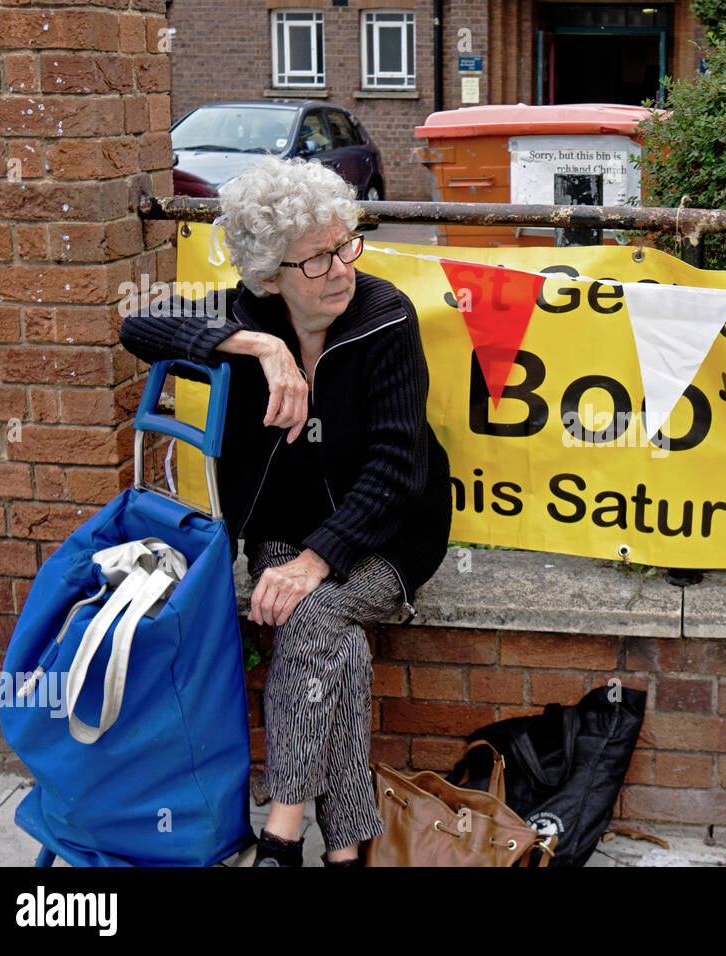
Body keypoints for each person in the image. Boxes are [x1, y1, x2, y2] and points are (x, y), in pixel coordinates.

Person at [119, 157, 451, 866]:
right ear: (269, 275)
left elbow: (397, 471)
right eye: (315, 260)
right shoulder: (250, 312)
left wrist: (315, 560)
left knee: (319, 615)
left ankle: (283, 829)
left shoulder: (386, 318)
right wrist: (258, 345)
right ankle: (353, 842)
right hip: (282, 523)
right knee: (339, 645)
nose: (340, 270)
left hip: (391, 532)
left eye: (345, 245)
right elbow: (139, 325)